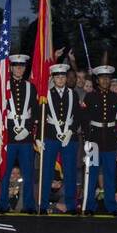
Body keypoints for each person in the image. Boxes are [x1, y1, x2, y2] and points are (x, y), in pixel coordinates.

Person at [81, 65, 117, 215]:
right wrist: (87, 139)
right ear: (97, 80)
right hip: (94, 140)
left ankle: (111, 206)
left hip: (111, 140)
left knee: (110, 174)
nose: (105, 80)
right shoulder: (90, 97)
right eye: (102, 78)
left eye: (108, 78)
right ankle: (89, 206)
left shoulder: (116, 97)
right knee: (92, 173)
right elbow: (85, 119)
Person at [40, 63, 80, 214]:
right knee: (47, 172)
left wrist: (70, 131)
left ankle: (71, 205)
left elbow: (77, 116)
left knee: (70, 172)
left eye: (63, 76)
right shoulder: (46, 95)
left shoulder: (73, 94)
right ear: (53, 78)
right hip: (50, 136)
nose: (61, 79)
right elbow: (41, 116)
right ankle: (43, 204)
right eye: (57, 77)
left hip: (69, 138)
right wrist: (39, 138)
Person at [2, 54, 38, 213]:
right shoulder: (4, 86)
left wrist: (28, 130)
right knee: (5, 172)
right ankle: (2, 203)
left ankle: (29, 204)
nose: (19, 68)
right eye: (16, 66)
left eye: (22, 66)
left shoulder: (31, 87)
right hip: (8, 135)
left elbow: (35, 112)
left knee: (28, 172)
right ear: (10, 68)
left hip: (26, 136)